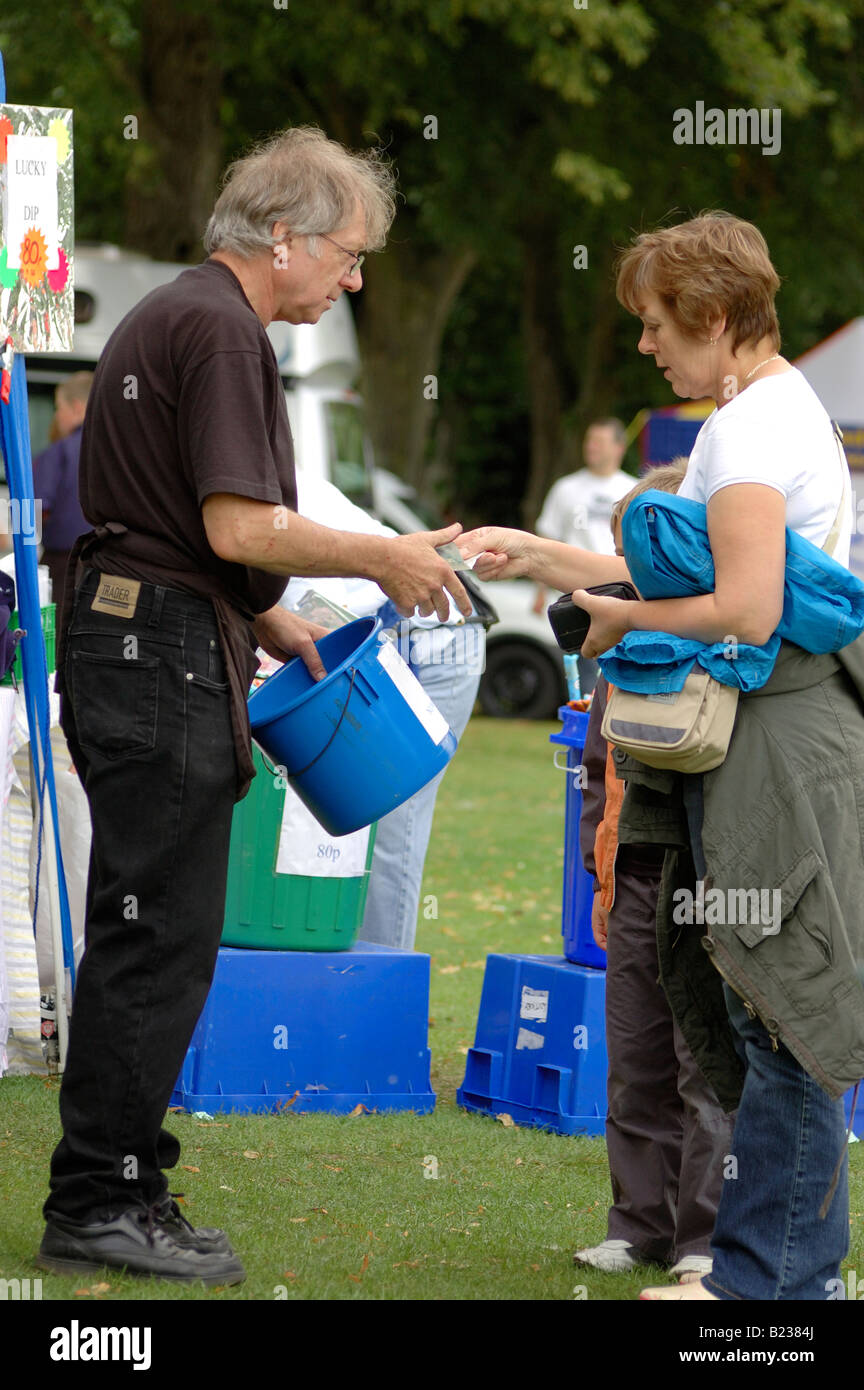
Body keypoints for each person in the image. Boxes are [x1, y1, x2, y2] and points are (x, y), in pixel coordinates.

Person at [38, 126, 472, 1288]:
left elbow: (179, 529)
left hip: (149, 637)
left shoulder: (183, 314)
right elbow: (236, 527)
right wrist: (383, 556)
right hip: (157, 658)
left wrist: (273, 622)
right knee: (157, 942)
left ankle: (123, 1185)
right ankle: (100, 1201)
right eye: (347, 253)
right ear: (282, 237)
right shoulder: (223, 332)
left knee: (150, 935)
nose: (355, 278)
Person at [460, 210, 864, 1301]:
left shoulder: (746, 428)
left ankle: (766, 1279)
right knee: (753, 1004)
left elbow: (742, 601)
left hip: (773, 741)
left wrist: (615, 622)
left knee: (776, 1010)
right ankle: (774, 1269)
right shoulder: (763, 411)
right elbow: (691, 566)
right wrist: (543, 554)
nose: (646, 346)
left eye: (656, 324)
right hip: (768, 738)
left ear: (717, 317)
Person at [574, 462, 734, 1284]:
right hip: (632, 872)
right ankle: (636, 1222)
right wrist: (600, 879)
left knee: (700, 1061)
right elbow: (598, 776)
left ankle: (703, 1236)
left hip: (706, 875)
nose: (626, 570)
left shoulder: (726, 634)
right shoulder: (616, 647)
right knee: (634, 1055)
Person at [278, 469, 490, 950]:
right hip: (367, 642)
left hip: (429, 638)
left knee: (392, 826)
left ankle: (380, 988)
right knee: (333, 820)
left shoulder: (267, 497)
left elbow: (314, 625)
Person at [533, 418, 633, 695]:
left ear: (619, 448)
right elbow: (547, 542)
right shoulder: (566, 488)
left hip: (620, 591)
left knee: (616, 662)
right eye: (589, 441)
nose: (591, 448)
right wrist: (539, 591)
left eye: (599, 442)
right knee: (581, 663)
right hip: (574, 592)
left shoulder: (635, 489)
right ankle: (583, 722)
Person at [31, 373, 93, 614]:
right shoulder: (122, 449)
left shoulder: (59, 453)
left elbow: (29, 514)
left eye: (59, 408)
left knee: (57, 642)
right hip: (114, 568)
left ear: (77, 407)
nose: (57, 416)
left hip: (63, 568)